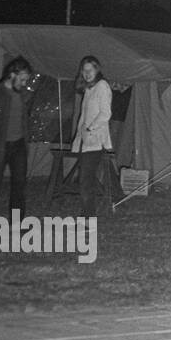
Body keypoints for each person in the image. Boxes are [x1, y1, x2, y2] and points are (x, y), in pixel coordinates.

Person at [71, 55, 113, 218]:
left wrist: (90, 128)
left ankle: (88, 218)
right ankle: (87, 214)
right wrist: (80, 135)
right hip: (85, 141)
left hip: (95, 141)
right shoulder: (88, 89)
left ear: (97, 70)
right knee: (85, 180)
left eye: (90, 70)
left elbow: (105, 113)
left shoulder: (102, 86)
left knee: (86, 181)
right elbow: (84, 115)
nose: (87, 73)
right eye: (84, 70)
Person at [0, 57, 33, 219]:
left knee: (19, 184)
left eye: (26, 80)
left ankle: (18, 221)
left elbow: (25, 120)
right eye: (22, 79)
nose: (24, 84)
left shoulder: (24, 95)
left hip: (19, 145)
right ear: (12, 74)